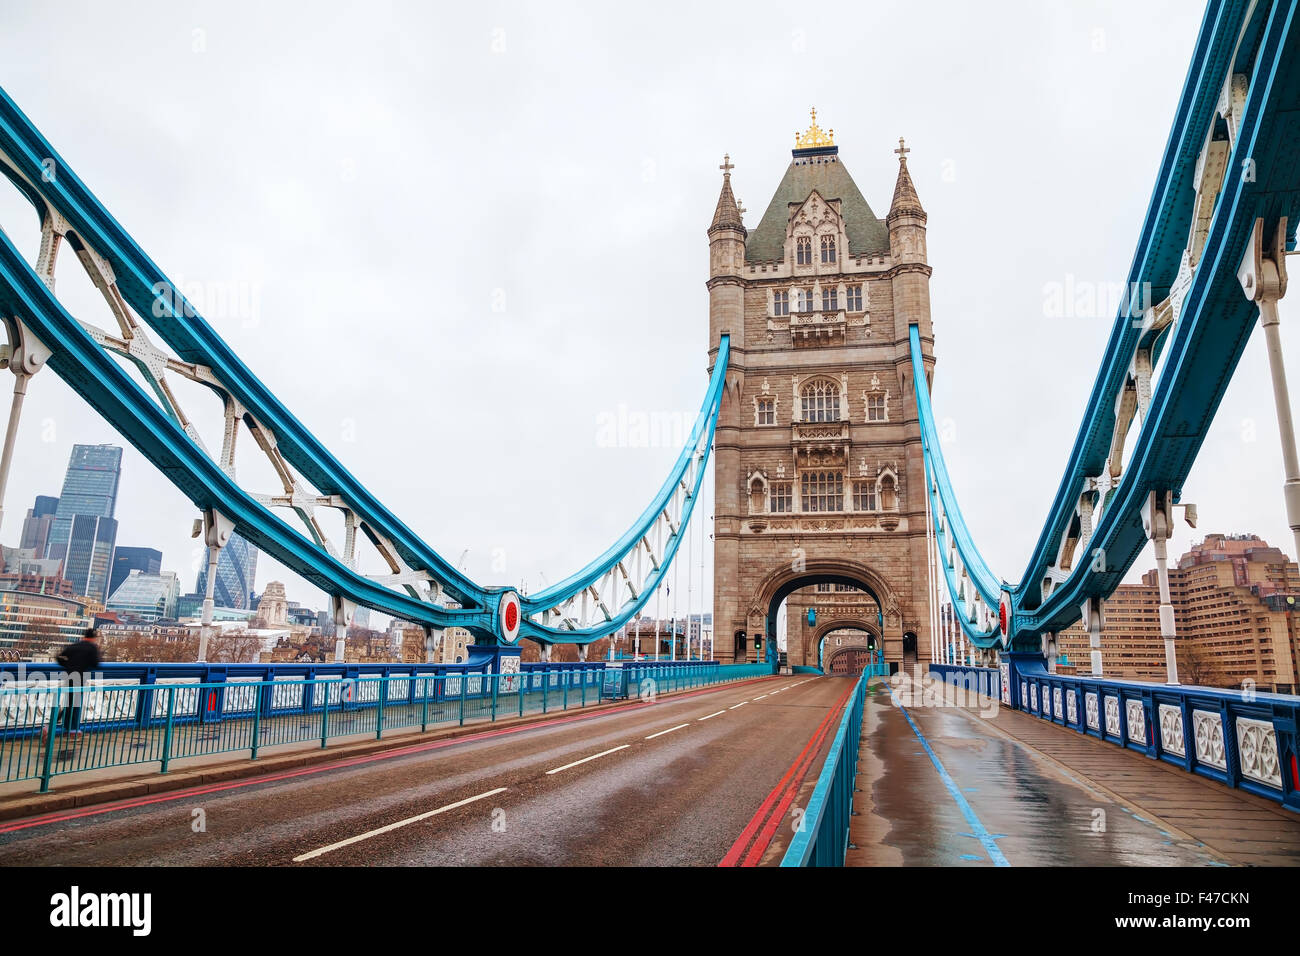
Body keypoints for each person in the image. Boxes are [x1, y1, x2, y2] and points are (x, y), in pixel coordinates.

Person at [52, 627, 101, 738]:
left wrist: (67, 665)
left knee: (69, 703)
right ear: (93, 638)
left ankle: (60, 726)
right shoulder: (92, 648)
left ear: (84, 636)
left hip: (68, 676)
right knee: (75, 704)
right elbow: (96, 664)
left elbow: (59, 657)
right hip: (80, 677)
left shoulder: (74, 646)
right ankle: (70, 729)